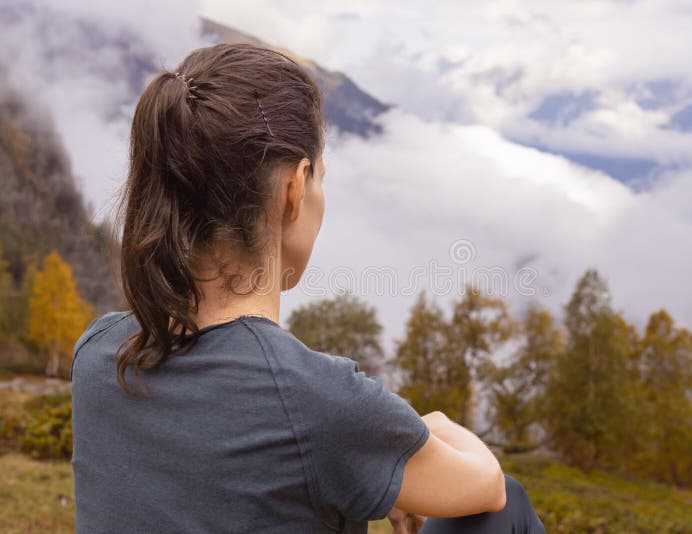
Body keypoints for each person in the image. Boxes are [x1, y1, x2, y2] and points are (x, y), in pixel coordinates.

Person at [70, 42, 546, 534]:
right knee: (506, 505)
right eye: (320, 177)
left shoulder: (99, 352)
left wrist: (375, 465)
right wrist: (434, 429)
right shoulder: (314, 399)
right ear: (295, 189)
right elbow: (486, 484)